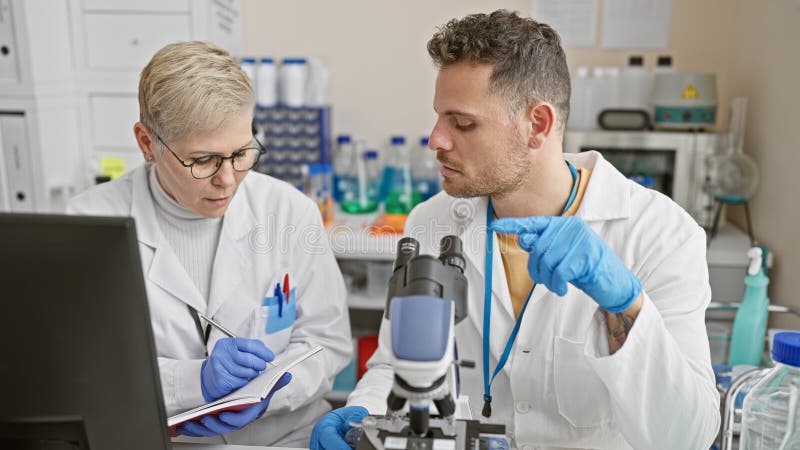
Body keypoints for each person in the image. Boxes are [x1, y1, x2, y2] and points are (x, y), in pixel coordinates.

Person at [310, 10, 720, 450]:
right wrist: (366, 417)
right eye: (439, 118)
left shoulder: (661, 234)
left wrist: (627, 304)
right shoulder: (432, 220)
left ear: (537, 125)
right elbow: (399, 364)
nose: (435, 140)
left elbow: (687, 437)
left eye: (462, 123)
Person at [68, 41, 352, 446]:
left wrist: (269, 395)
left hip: (282, 438)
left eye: (241, 152)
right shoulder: (90, 225)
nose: (228, 179)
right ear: (147, 143)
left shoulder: (289, 211)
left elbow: (327, 342)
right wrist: (192, 382)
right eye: (203, 160)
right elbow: (84, 371)